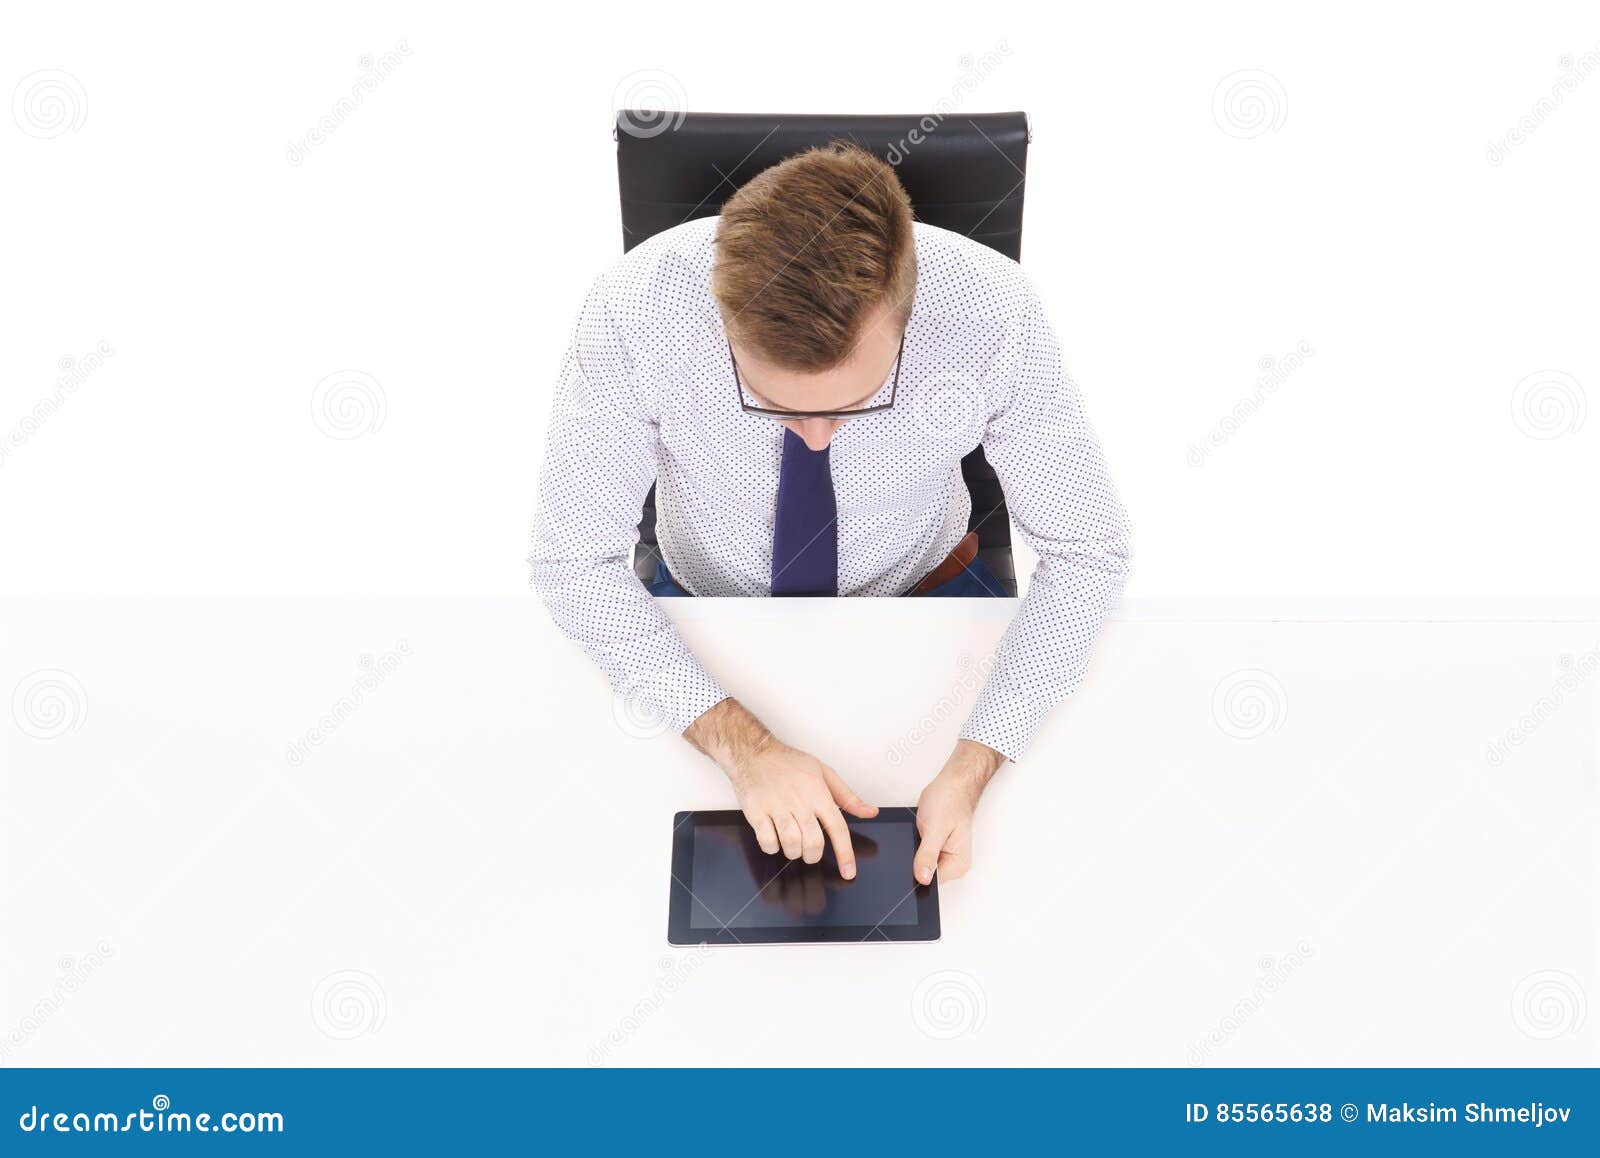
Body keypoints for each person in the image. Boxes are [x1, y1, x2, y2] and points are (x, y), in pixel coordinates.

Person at [530, 142, 1130, 887]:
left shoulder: (992, 311)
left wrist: (976, 760)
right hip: (706, 609)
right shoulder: (636, 309)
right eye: (774, 403)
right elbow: (570, 561)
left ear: (907, 319)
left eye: (852, 405)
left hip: (925, 596)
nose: (813, 436)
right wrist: (745, 750)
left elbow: (1089, 552)